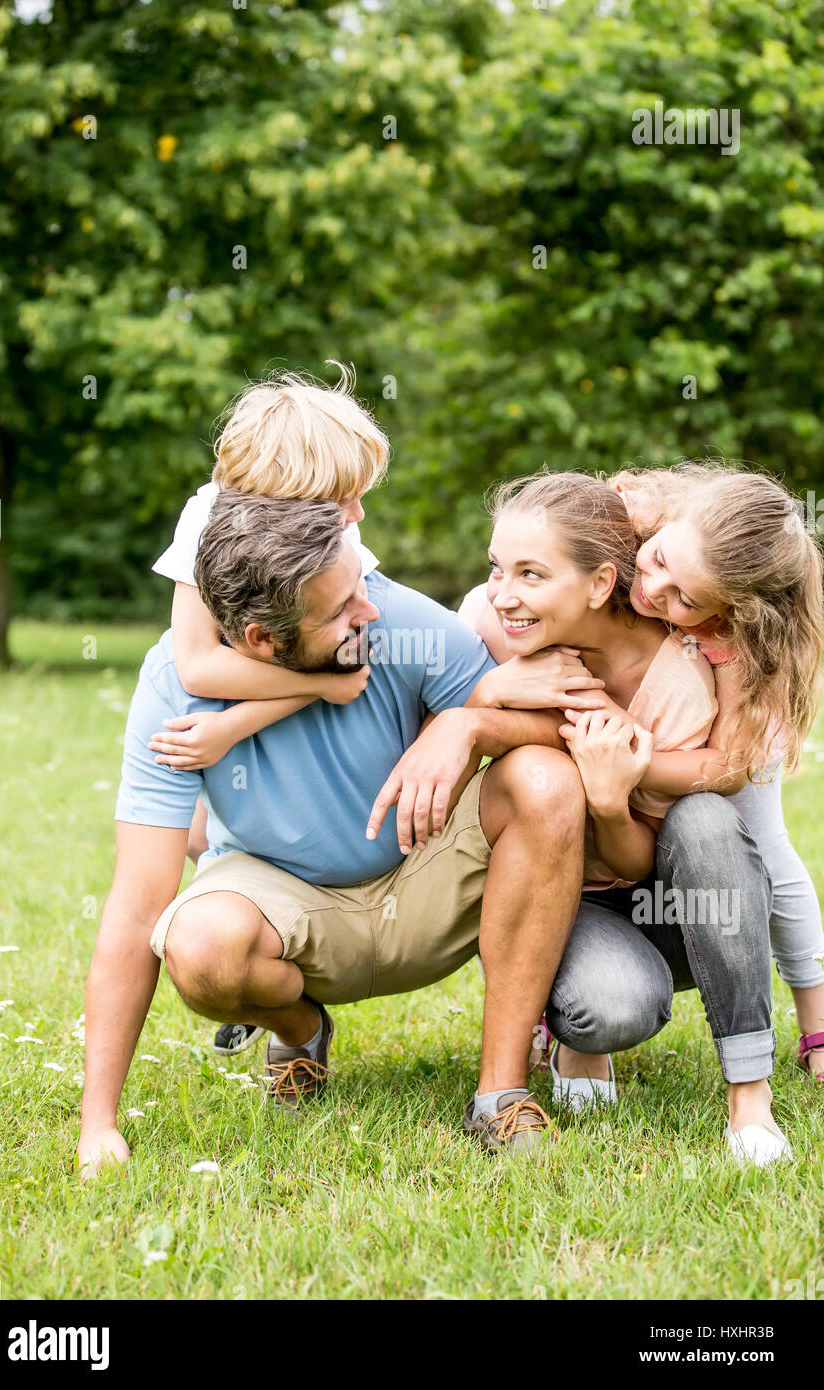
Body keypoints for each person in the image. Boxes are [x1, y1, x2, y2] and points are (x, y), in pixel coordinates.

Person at [77, 490, 587, 1177]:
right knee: (197, 948)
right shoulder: (175, 685)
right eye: (343, 608)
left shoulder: (397, 617)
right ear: (263, 640)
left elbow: (562, 728)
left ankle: (500, 1091)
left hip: (424, 876)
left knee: (546, 780)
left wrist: (469, 724)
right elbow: (139, 902)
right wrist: (98, 1124)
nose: (369, 609)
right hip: (285, 905)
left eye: (362, 587)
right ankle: (300, 1030)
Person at [460, 471, 791, 1165]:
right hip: (567, 896)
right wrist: (492, 692)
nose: (658, 594)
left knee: (705, 819)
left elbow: (741, 841)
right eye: (498, 568)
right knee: (609, 1007)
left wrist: (618, 782)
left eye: (686, 597)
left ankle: (750, 1100)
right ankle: (576, 1043)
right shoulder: (504, 624)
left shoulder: (697, 669)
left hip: (671, 890)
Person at [147, 364, 386, 1053]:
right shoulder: (207, 518)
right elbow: (197, 663)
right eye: (348, 498)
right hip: (230, 711)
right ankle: (246, 976)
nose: (360, 516)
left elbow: (346, 666)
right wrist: (305, 689)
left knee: (244, 837)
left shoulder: (330, 547)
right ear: (290, 493)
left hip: (275, 727)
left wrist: (241, 721)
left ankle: (259, 969)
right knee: (203, 839)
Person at [608, 464, 824, 1083]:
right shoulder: (631, 519)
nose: (655, 593)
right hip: (640, 705)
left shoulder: (739, 634)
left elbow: (729, 766)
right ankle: (566, 1002)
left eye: (687, 600)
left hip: (714, 738)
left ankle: (815, 1017)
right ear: (666, 521)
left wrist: (632, 763)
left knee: (765, 844)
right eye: (657, 561)